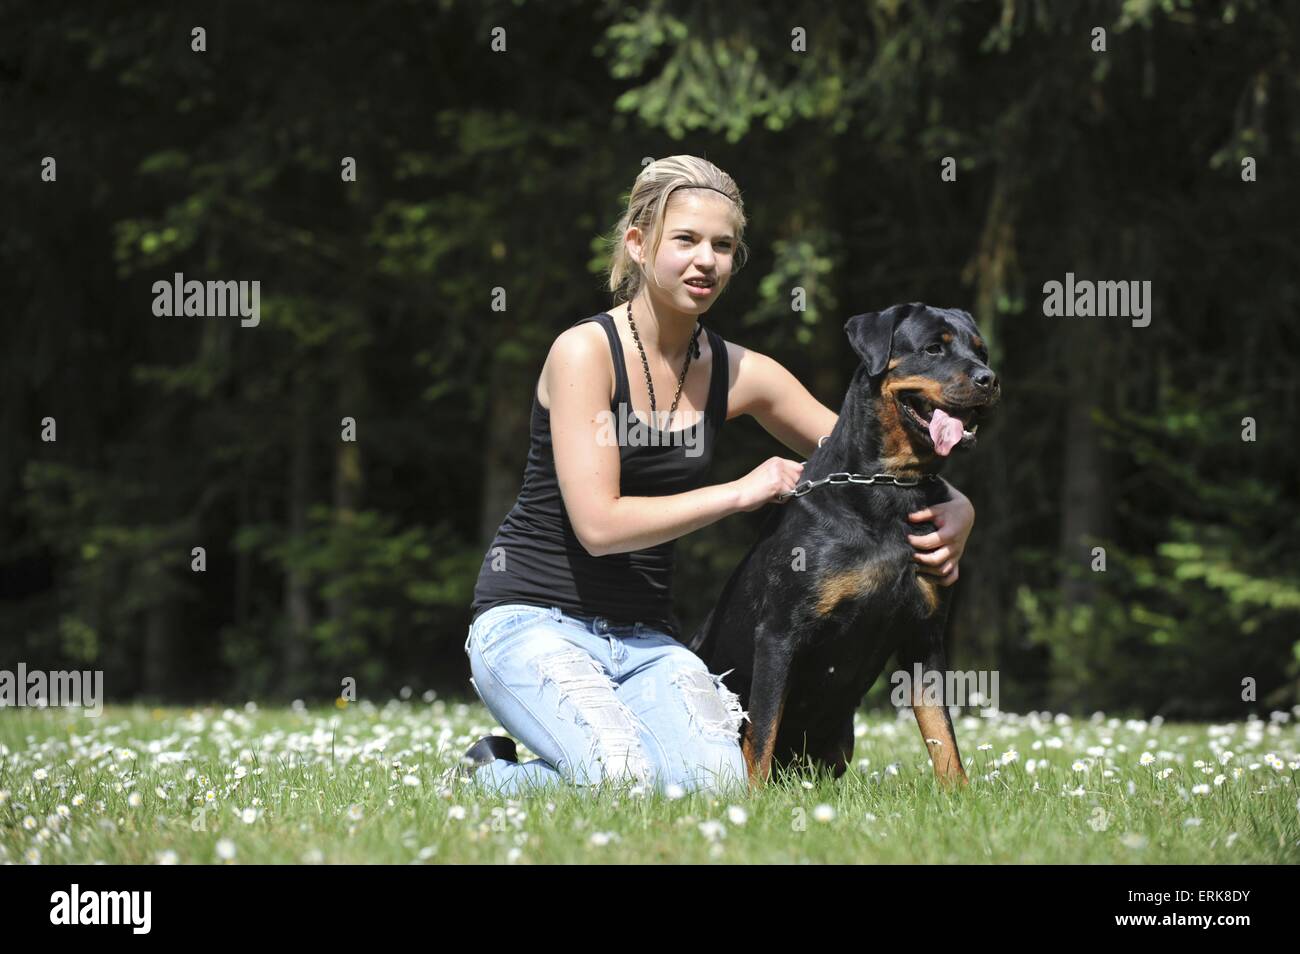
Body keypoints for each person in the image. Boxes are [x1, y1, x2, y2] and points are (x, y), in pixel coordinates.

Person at [461, 155, 976, 795]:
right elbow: (598, 525)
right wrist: (739, 492)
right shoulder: (585, 352)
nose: (706, 259)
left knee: (717, 785)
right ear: (639, 245)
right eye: (685, 240)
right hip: (531, 621)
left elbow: (862, 454)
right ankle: (485, 779)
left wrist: (958, 505)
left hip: (646, 640)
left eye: (723, 245)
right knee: (622, 780)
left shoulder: (740, 372)